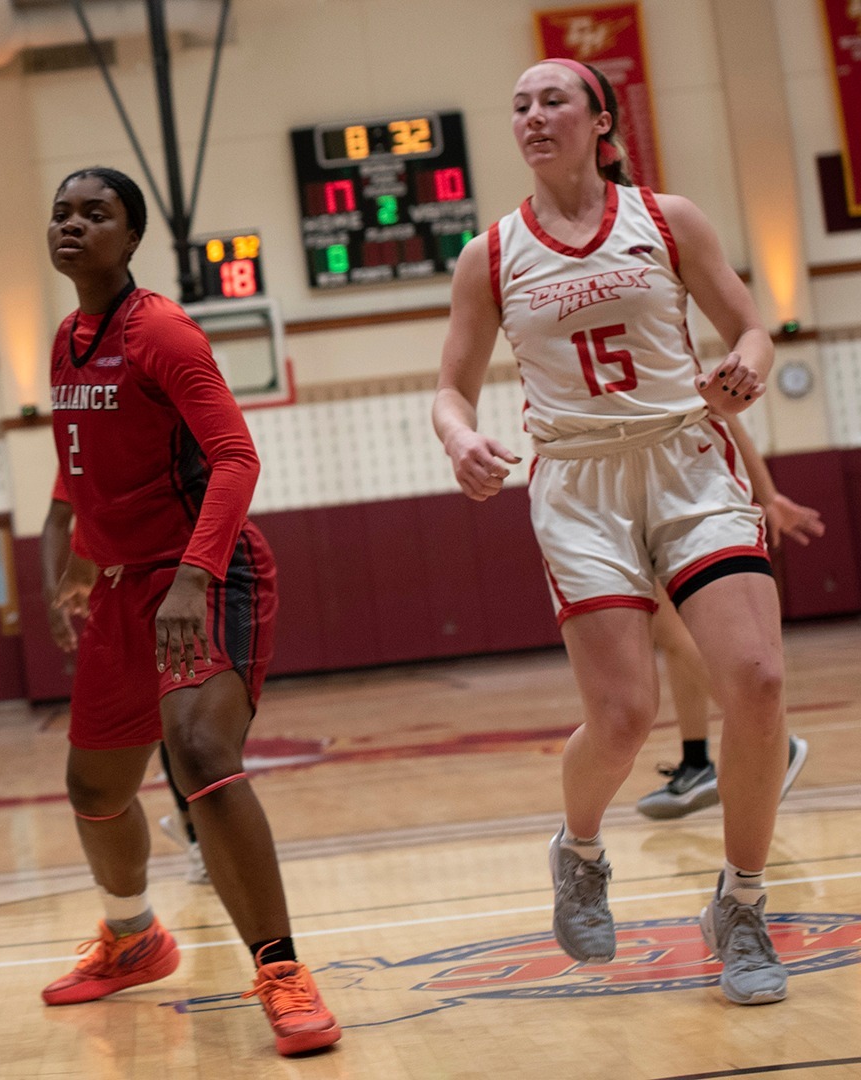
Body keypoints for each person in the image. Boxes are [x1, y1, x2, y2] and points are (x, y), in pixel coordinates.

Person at [432, 58, 791, 1005]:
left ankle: (743, 906)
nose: (533, 115)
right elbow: (450, 388)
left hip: (686, 460)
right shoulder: (491, 254)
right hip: (579, 484)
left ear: (601, 120)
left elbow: (752, 330)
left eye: (554, 99)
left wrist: (745, 369)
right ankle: (580, 850)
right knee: (625, 715)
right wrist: (463, 439)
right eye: (518, 104)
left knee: (755, 680)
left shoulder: (669, 220)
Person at [37, 167, 340, 1058]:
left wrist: (192, 577)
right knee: (93, 785)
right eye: (62, 212)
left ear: (130, 241)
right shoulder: (66, 340)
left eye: (96, 214)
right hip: (126, 586)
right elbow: (77, 469)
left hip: (207, 574)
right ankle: (134, 937)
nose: (73, 224)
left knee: (202, 751)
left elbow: (236, 458)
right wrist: (68, 566)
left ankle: (282, 972)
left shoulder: (162, 331)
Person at [635, 418, 817, 818]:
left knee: (669, 631)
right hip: (653, 497)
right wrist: (768, 495)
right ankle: (697, 760)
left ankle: (772, 743)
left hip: (679, 500)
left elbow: (729, 419)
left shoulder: (675, 368)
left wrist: (768, 495)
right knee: (674, 635)